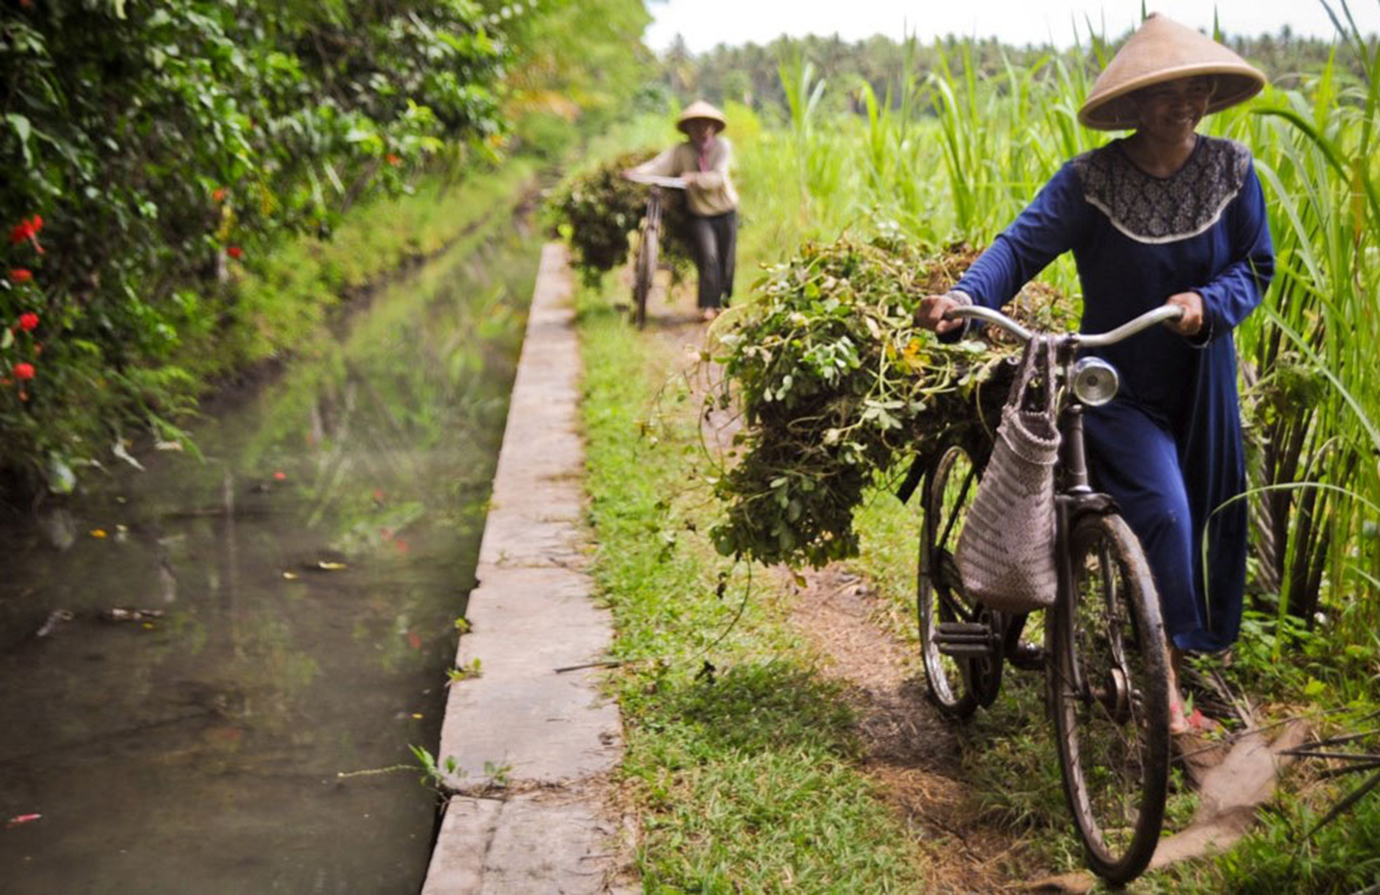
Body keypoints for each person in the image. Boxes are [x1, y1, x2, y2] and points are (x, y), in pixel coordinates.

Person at [913, 14, 1274, 739]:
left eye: (1197, 87)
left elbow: (1256, 266)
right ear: (1134, 103)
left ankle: (1180, 651)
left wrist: (1211, 302)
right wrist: (965, 298)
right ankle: (1164, 691)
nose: (1187, 101)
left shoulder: (1233, 171)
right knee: (1166, 512)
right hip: (1115, 381)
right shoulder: (1091, 180)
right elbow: (1018, 247)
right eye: (1169, 91)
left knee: (1211, 518)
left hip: (1201, 382)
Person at [625, 100, 739, 321]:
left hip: (725, 211)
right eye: (696, 125)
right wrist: (635, 173)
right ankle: (708, 305)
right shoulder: (682, 150)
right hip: (700, 215)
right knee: (709, 257)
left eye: (706, 125)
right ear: (688, 129)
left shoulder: (723, 147)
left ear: (713, 127)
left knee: (727, 260)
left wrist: (695, 179)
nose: (702, 130)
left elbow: (718, 177)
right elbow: (658, 166)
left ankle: (724, 302)